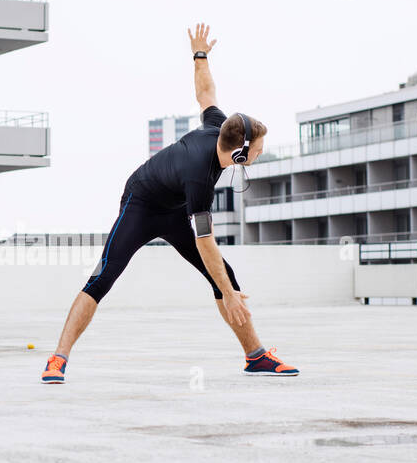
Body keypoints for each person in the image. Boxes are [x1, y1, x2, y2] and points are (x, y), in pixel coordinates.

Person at [41, 24, 299, 384]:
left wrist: (200, 55)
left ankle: (256, 357)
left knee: (226, 278)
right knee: (103, 277)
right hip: (142, 203)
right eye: (258, 149)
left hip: (175, 207)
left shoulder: (218, 126)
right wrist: (228, 295)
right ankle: (57, 359)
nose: (261, 152)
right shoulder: (200, 177)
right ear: (240, 153)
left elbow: (205, 92)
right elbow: (204, 242)